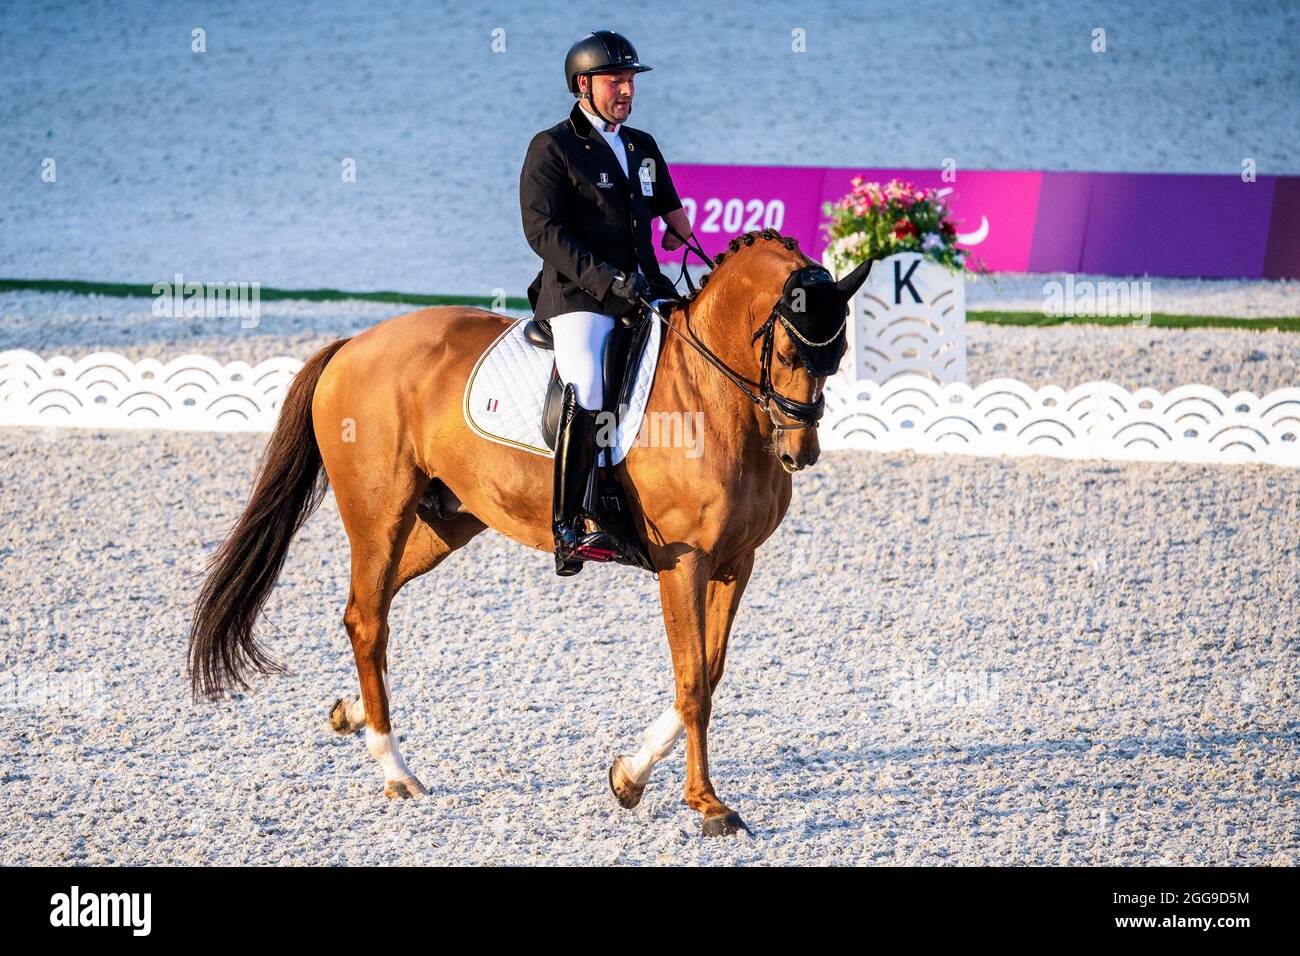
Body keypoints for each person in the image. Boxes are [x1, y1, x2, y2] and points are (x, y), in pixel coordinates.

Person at [520, 30, 695, 576]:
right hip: (578, 294)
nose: (626, 90)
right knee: (588, 385)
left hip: (646, 286)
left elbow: (670, 210)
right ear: (582, 85)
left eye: (630, 80)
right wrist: (609, 280)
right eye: (614, 81)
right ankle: (569, 525)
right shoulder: (552, 147)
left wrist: (678, 231)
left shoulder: (642, 144)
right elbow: (543, 232)